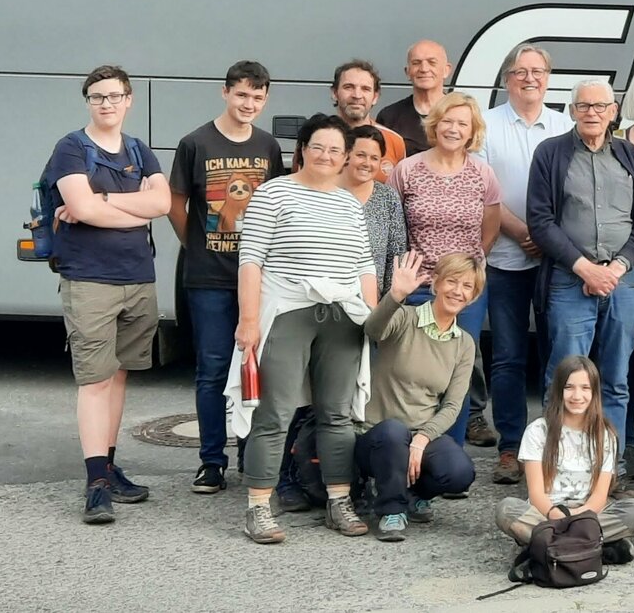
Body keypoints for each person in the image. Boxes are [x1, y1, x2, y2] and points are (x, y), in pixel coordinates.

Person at [233, 114, 377, 544]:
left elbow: (365, 266)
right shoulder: (273, 193)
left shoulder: (351, 203)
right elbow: (251, 260)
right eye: (318, 147)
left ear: (345, 157)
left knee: (337, 414)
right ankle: (258, 506)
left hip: (342, 319)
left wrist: (372, 319)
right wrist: (247, 321)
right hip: (287, 314)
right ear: (302, 150)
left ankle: (339, 500)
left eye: (335, 150)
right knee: (274, 413)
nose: (326, 155)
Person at [47, 65, 172, 525]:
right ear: (88, 101)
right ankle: (96, 483)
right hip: (90, 279)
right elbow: (79, 208)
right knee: (95, 380)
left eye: (115, 96)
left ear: (129, 100)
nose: (106, 103)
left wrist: (105, 204)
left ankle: (109, 466)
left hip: (138, 277)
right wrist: (129, 208)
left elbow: (161, 204)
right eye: (98, 96)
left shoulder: (140, 150)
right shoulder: (71, 148)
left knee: (118, 377)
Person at [528, 78, 634, 487]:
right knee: (564, 375)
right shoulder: (550, 154)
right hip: (569, 280)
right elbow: (541, 221)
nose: (591, 113)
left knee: (617, 379)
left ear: (614, 111)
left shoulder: (630, 156)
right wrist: (584, 267)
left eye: (600, 106)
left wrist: (617, 267)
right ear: (571, 111)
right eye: (583, 106)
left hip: (622, 283)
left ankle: (610, 468)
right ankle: (556, 464)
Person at [169, 60, 285, 495]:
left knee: (259, 366)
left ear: (266, 99)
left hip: (259, 277)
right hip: (210, 277)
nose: (248, 104)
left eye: (257, 97)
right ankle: (211, 460)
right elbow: (176, 203)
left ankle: (250, 452)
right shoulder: (194, 143)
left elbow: (274, 204)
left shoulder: (268, 147)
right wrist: (195, 244)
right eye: (241, 95)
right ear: (224, 93)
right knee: (214, 367)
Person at [476, 45, 572, 483]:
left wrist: (548, 238)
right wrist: (521, 231)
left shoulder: (565, 125)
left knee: (560, 356)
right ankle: (512, 447)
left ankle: (554, 443)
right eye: (519, 71)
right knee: (509, 358)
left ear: (548, 77)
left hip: (558, 263)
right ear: (507, 77)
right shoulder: (487, 126)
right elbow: (481, 192)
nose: (529, 78)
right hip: (503, 259)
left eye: (537, 71)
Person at [389, 91, 501, 446]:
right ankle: (403, 447)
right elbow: (394, 229)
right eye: (447, 121)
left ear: (473, 131)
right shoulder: (406, 170)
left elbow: (491, 227)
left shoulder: (482, 174)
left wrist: (465, 273)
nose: (453, 129)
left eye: (462, 123)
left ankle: (448, 451)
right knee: (408, 368)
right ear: (435, 125)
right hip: (419, 284)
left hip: (463, 290)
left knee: (457, 371)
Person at [357, 250, 481, 541]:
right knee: (392, 433)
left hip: (418, 435)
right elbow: (372, 330)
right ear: (435, 283)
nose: (458, 292)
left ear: (474, 296)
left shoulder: (464, 344)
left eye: (467, 287)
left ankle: (412, 494)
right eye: (452, 281)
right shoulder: (406, 317)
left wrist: (423, 438)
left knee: (460, 472)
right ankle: (391, 509)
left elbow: (452, 405)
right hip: (376, 434)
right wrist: (395, 296)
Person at [495, 355, 634, 579]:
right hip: (546, 512)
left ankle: (546, 547)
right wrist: (560, 517)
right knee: (506, 510)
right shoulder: (538, 431)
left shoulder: (605, 435)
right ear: (558, 390)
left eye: (585, 388)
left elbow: (599, 496)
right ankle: (594, 547)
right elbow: (536, 494)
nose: (577, 396)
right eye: (569, 387)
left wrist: (576, 518)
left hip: (589, 513)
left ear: (594, 392)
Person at [343, 127, 409, 297]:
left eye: (374, 158)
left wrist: (389, 304)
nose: (367, 163)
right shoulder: (327, 192)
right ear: (346, 154)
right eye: (360, 155)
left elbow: (396, 254)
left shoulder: (387, 197)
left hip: (372, 303)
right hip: (327, 302)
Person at [332, 59, 407, 181]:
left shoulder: (394, 141)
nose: (357, 95)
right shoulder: (316, 138)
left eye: (365, 89)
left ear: (375, 97)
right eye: (348, 87)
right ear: (335, 93)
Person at [378, 39, 452, 156]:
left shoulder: (461, 114)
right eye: (416, 63)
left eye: (432, 62)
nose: (424, 69)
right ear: (407, 72)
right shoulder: (389, 116)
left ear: (446, 70)